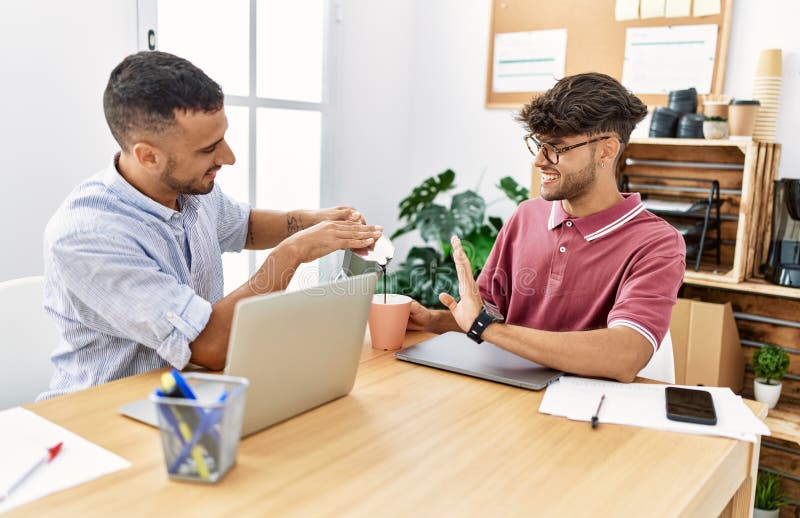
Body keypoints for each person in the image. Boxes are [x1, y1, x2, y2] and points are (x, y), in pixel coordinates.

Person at [38, 51, 381, 399]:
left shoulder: (187, 189)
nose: (228, 157)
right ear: (148, 156)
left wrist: (315, 222)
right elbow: (211, 346)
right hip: (100, 416)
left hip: (190, 394)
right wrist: (293, 252)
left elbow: (244, 227)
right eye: (209, 149)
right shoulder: (87, 235)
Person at [408, 73, 686, 383]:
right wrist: (432, 320)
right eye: (539, 145)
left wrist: (485, 327)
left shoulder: (657, 243)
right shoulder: (526, 216)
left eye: (557, 148)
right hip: (506, 398)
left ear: (606, 150)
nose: (539, 161)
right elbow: (485, 318)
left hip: (582, 414)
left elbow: (625, 356)